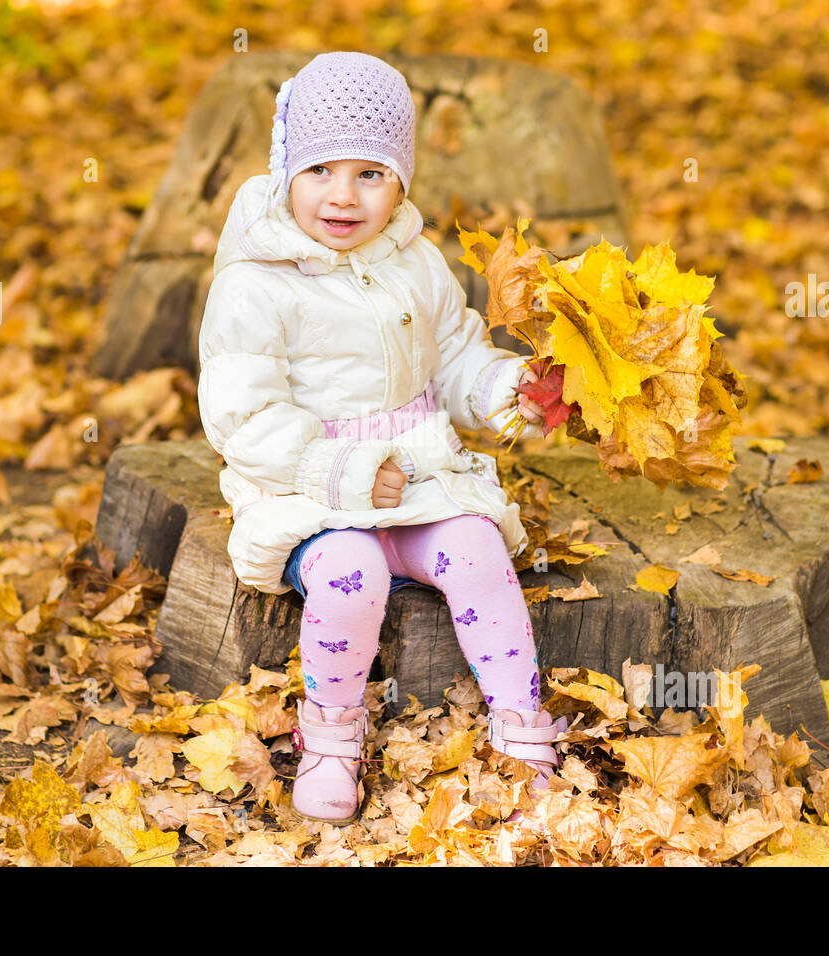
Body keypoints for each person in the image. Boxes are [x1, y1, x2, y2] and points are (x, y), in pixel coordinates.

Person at [197, 51, 566, 826]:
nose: (343, 194)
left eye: (371, 173)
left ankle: (519, 726)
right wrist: (341, 471)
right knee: (348, 573)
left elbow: (458, 354)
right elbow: (243, 416)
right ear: (284, 170)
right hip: (313, 498)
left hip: (423, 482)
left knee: (477, 551)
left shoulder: (415, 262)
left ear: (402, 181)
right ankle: (332, 738)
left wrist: (508, 390)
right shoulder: (253, 283)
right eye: (321, 169)